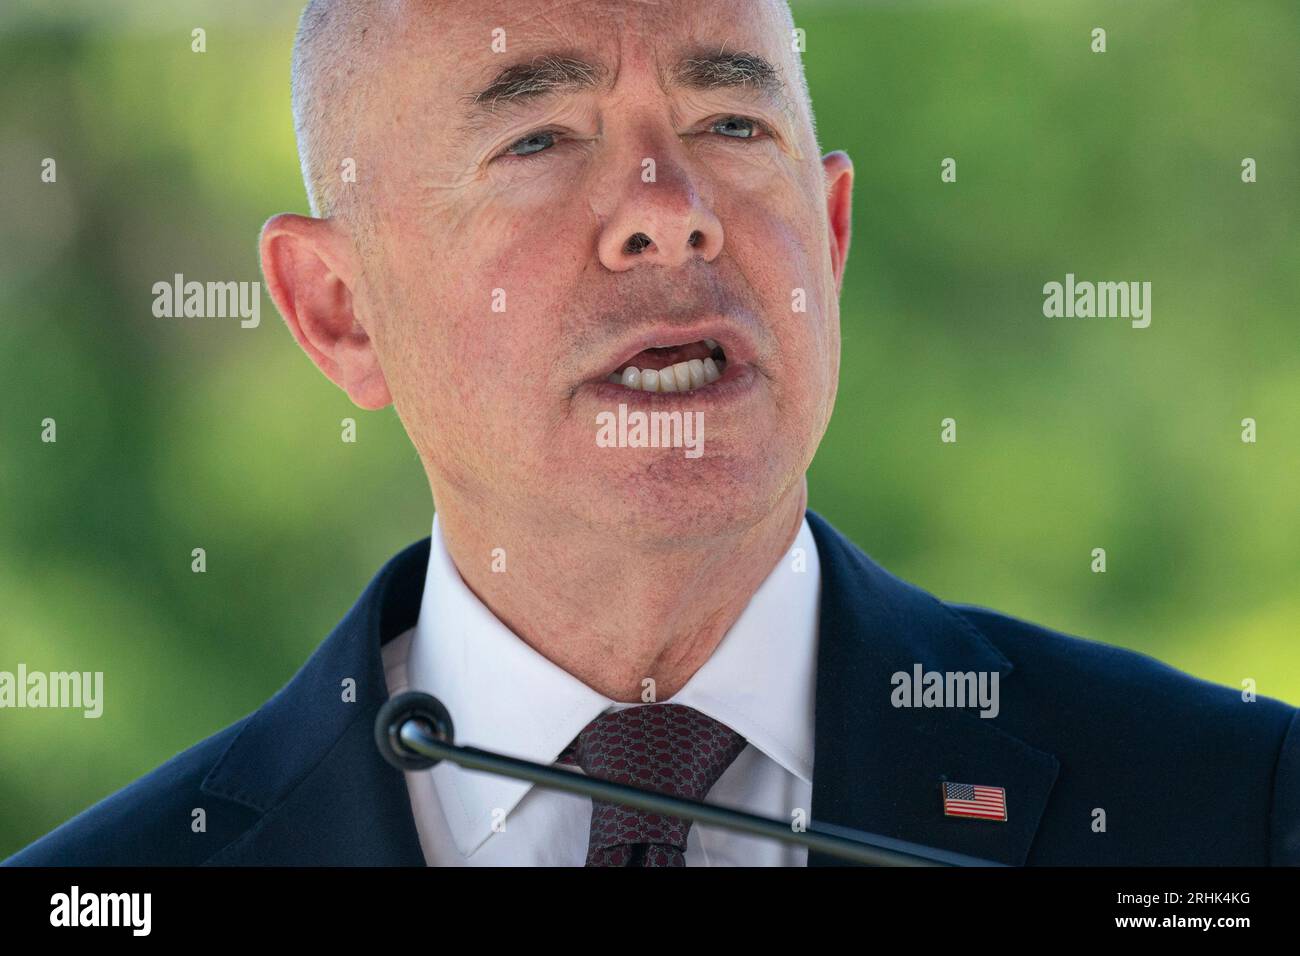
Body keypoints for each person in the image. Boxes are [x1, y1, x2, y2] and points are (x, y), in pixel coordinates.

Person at [6, 0, 1297, 867]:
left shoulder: (1230, 812)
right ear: (339, 313)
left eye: (733, 124)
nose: (669, 214)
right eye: (539, 137)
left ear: (831, 237)